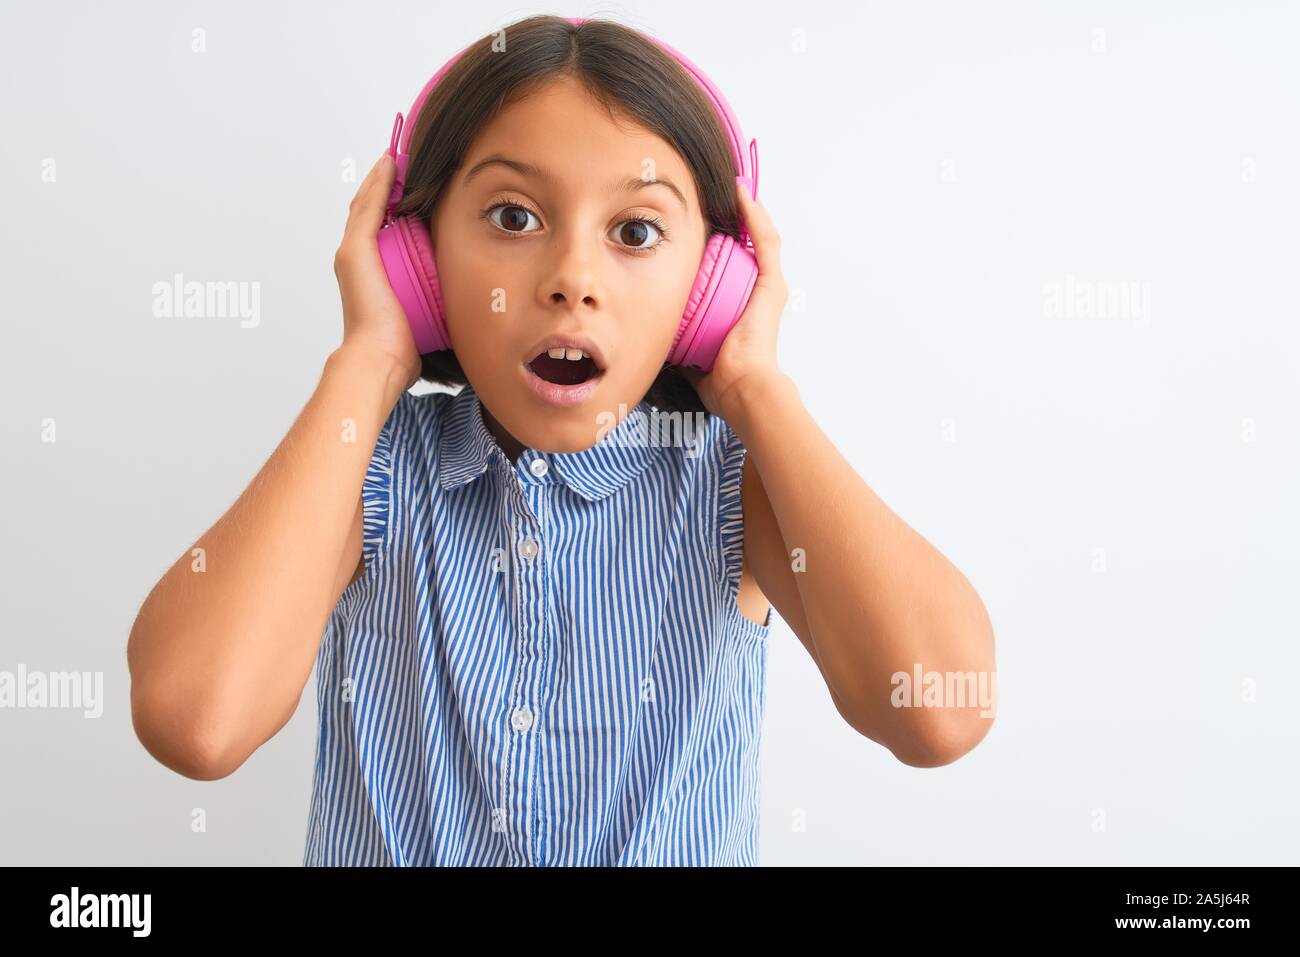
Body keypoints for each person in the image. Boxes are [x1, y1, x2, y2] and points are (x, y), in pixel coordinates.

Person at [128, 14, 997, 866]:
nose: (572, 279)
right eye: (513, 217)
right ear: (418, 261)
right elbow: (197, 722)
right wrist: (368, 359)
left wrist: (753, 387)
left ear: (712, 286)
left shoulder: (736, 481)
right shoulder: (365, 466)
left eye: (636, 231)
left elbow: (938, 712)